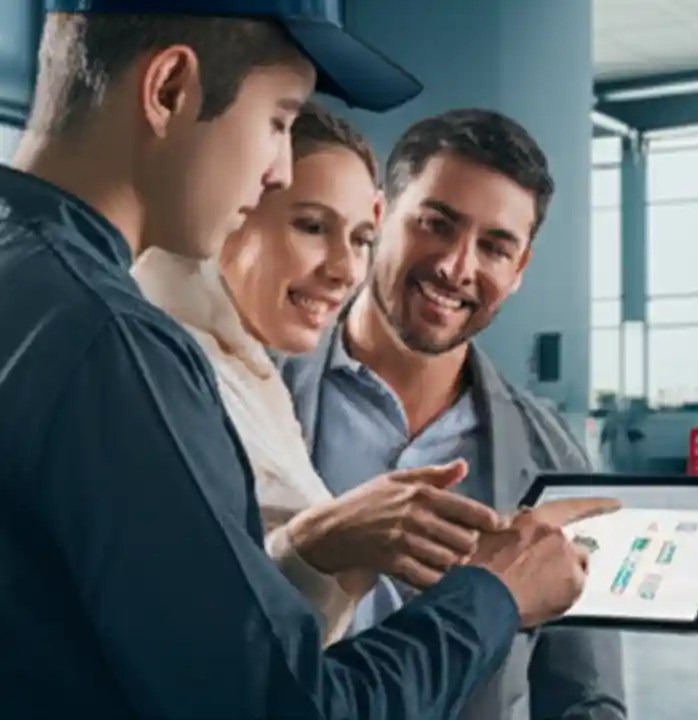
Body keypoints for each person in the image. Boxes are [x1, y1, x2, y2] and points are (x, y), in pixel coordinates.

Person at [0, 3, 607, 718]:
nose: (277, 170)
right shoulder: (117, 349)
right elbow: (281, 707)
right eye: (280, 120)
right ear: (169, 89)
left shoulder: (30, 285)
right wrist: (494, 593)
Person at [132, 101, 522, 647]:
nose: (344, 270)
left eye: (361, 238)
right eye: (312, 226)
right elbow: (193, 639)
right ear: (235, 208)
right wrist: (326, 546)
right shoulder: (158, 373)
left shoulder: (250, 378)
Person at [279, 109, 628, 719]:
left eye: (495, 247)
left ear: (518, 271)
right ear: (381, 216)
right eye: (437, 224)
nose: (456, 267)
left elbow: (584, 697)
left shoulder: (551, 455)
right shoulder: (253, 391)